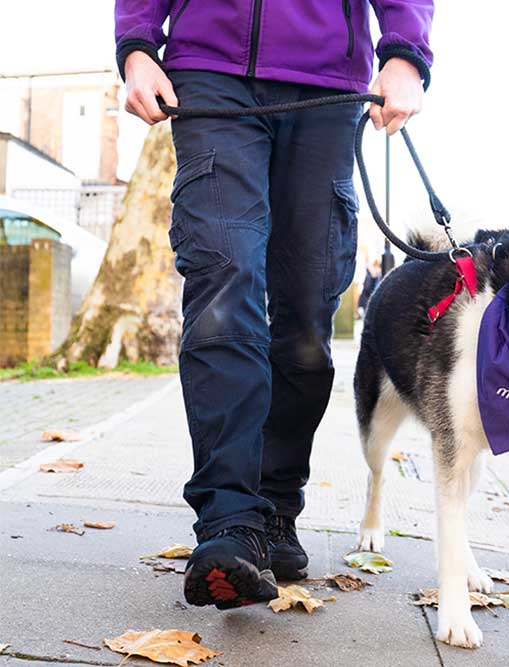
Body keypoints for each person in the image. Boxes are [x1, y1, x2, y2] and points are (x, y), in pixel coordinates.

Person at [114, 0, 433, 608]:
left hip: (326, 86)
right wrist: (135, 46)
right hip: (210, 77)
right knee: (223, 285)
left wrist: (404, 52)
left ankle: (276, 510)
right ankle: (229, 522)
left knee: (308, 320)